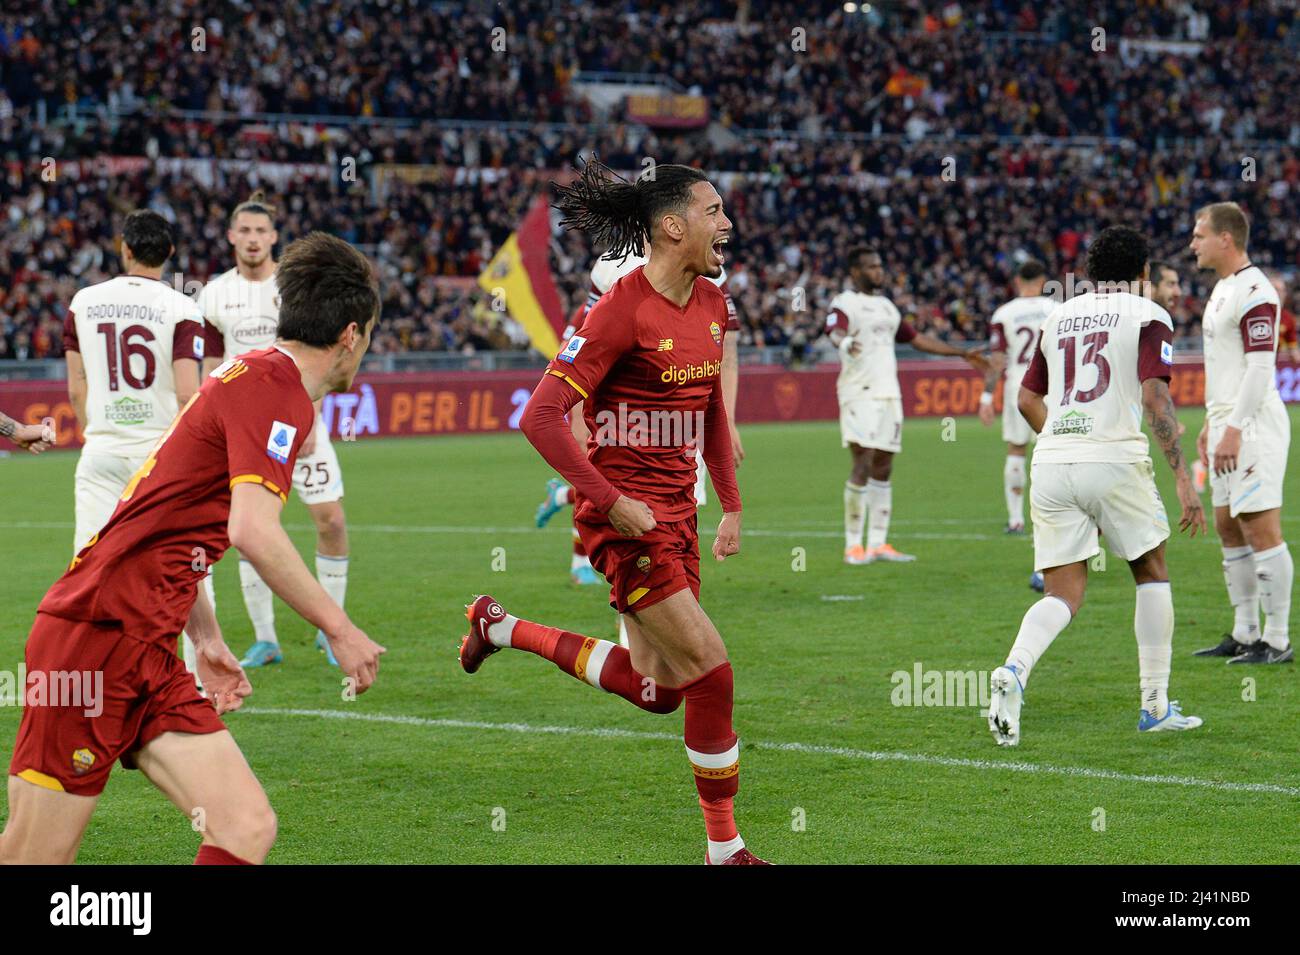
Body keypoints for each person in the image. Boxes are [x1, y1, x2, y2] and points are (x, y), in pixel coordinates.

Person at [0, 232, 385, 864]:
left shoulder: (254, 374)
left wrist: (205, 639)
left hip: (147, 642)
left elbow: (175, 521)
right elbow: (252, 530)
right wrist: (338, 627)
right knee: (33, 858)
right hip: (95, 638)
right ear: (351, 334)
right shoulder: (274, 391)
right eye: (369, 334)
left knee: (244, 826)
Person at [461, 160, 765, 864]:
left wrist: (732, 503)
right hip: (625, 523)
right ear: (672, 225)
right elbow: (541, 418)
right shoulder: (618, 311)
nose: (727, 224)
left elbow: (712, 417)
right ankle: (726, 849)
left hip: (677, 515)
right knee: (713, 674)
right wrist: (611, 500)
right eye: (714, 211)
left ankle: (500, 626)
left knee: (660, 689)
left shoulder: (714, 305)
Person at [986, 225, 1207, 746]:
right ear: (1145, 273)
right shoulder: (1151, 314)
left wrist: (1065, 436)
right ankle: (1154, 705)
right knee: (1151, 569)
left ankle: (1014, 670)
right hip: (1113, 458)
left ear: (1089, 273)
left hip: (1053, 461)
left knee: (1064, 592)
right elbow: (1155, 397)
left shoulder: (1058, 315)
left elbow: (1025, 399)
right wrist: (1182, 477)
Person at [198, 193, 352, 669]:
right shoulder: (214, 295)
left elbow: (322, 355)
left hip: (299, 419)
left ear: (273, 237)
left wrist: (311, 416)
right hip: (246, 430)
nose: (251, 239)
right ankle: (266, 638)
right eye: (243, 230)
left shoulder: (295, 286)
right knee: (252, 528)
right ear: (231, 236)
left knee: (331, 521)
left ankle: (332, 628)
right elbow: (210, 368)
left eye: (260, 231)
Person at [827, 247, 989, 564]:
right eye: (872, 267)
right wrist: (844, 342)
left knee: (884, 465)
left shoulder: (888, 307)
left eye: (879, 265)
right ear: (855, 272)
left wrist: (959, 352)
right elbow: (835, 331)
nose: (879, 271)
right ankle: (852, 546)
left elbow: (915, 339)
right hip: (859, 391)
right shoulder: (844, 302)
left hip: (890, 393)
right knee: (863, 460)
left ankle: (878, 543)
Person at [63, 210, 204, 554]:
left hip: (103, 451)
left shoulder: (83, 303)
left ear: (124, 249)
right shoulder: (183, 308)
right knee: (182, 566)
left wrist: (95, 435)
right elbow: (188, 393)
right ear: (170, 251)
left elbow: (75, 388)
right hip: (160, 454)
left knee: (91, 563)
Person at [1189, 203, 1294, 664]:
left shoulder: (1256, 291)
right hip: (1226, 424)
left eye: (1199, 235)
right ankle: (1245, 630)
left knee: (1260, 527)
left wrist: (1232, 429)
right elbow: (1226, 367)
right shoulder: (1222, 289)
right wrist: (1212, 426)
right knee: (1229, 525)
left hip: (1252, 426)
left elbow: (1258, 368)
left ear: (1225, 239)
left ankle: (1277, 639)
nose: (1193, 243)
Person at [980, 259, 1054, 533]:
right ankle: (1050, 518)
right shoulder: (1056, 309)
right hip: (1052, 387)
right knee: (1054, 451)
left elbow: (997, 360)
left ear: (1018, 282)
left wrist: (986, 398)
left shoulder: (1004, 314)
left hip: (1019, 388)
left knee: (1016, 449)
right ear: (1043, 282)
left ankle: (1015, 520)